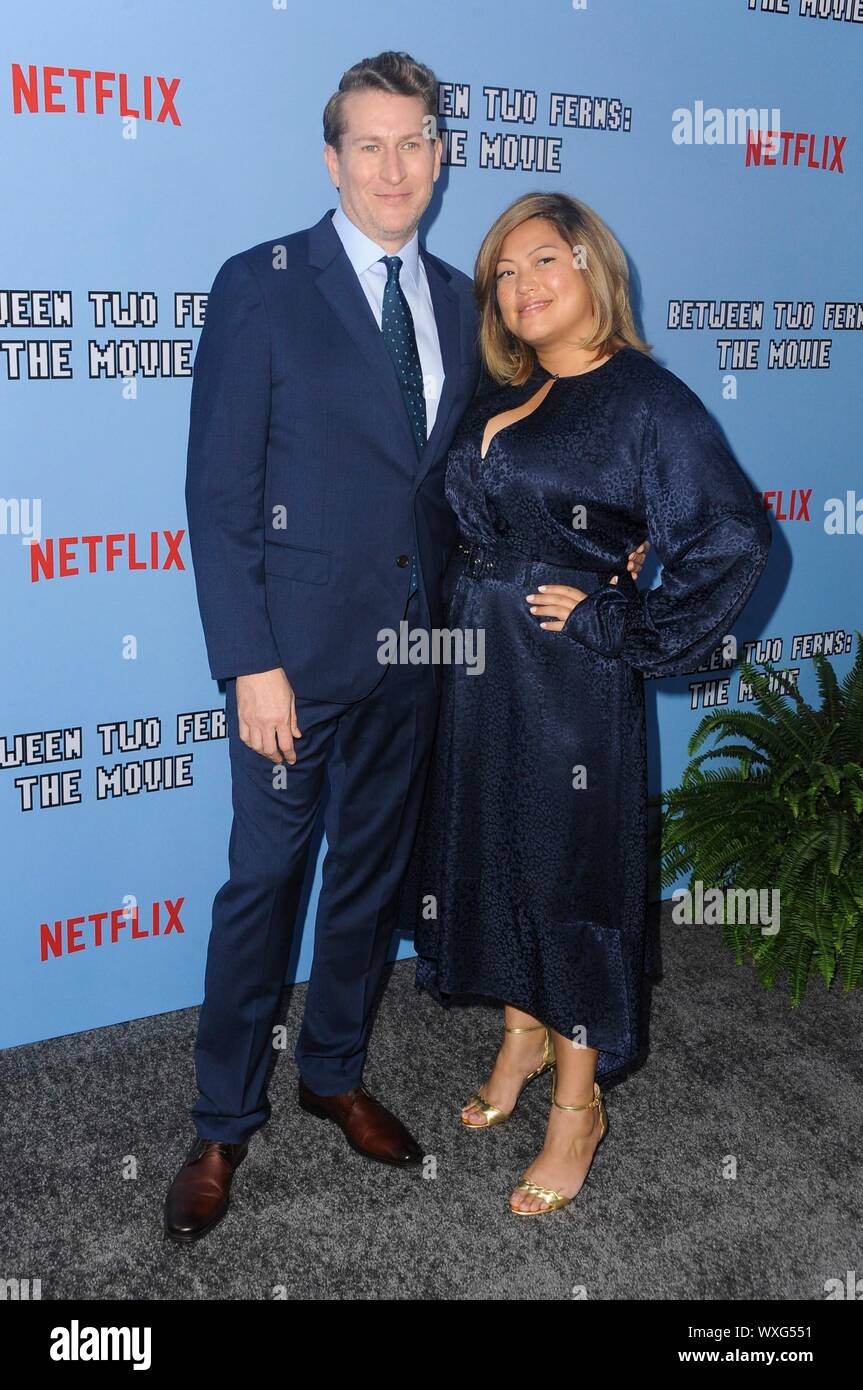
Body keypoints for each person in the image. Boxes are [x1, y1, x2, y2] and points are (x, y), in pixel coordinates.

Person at [397, 190, 772, 1216]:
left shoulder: (643, 398)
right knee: (499, 853)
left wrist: (624, 623)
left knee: (568, 875)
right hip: (478, 675)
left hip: (565, 686)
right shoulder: (500, 395)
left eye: (543, 262)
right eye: (503, 275)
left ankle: (576, 1105)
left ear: (591, 268)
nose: (521, 286)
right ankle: (519, 1035)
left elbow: (733, 534)